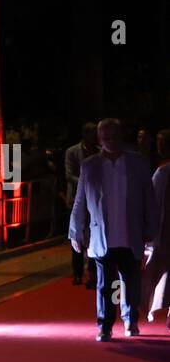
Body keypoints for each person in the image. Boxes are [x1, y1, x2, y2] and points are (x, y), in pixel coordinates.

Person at [70, 118, 159, 341]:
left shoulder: (138, 163)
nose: (110, 141)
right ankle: (105, 325)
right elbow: (80, 201)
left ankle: (130, 320)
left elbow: (150, 198)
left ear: (121, 136)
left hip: (132, 234)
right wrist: (75, 232)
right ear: (99, 139)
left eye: (114, 136)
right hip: (102, 236)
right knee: (105, 285)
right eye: (105, 137)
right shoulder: (89, 165)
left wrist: (151, 227)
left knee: (132, 282)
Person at [65, 123, 100, 287]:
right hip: (77, 198)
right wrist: (86, 183)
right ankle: (77, 272)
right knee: (76, 235)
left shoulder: (100, 151)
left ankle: (92, 273)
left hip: (94, 200)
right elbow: (69, 174)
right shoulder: (72, 152)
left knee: (94, 234)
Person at [141, 129, 170, 326]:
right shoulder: (161, 171)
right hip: (165, 229)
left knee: (159, 269)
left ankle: (149, 306)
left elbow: (152, 203)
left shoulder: (162, 172)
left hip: (165, 230)